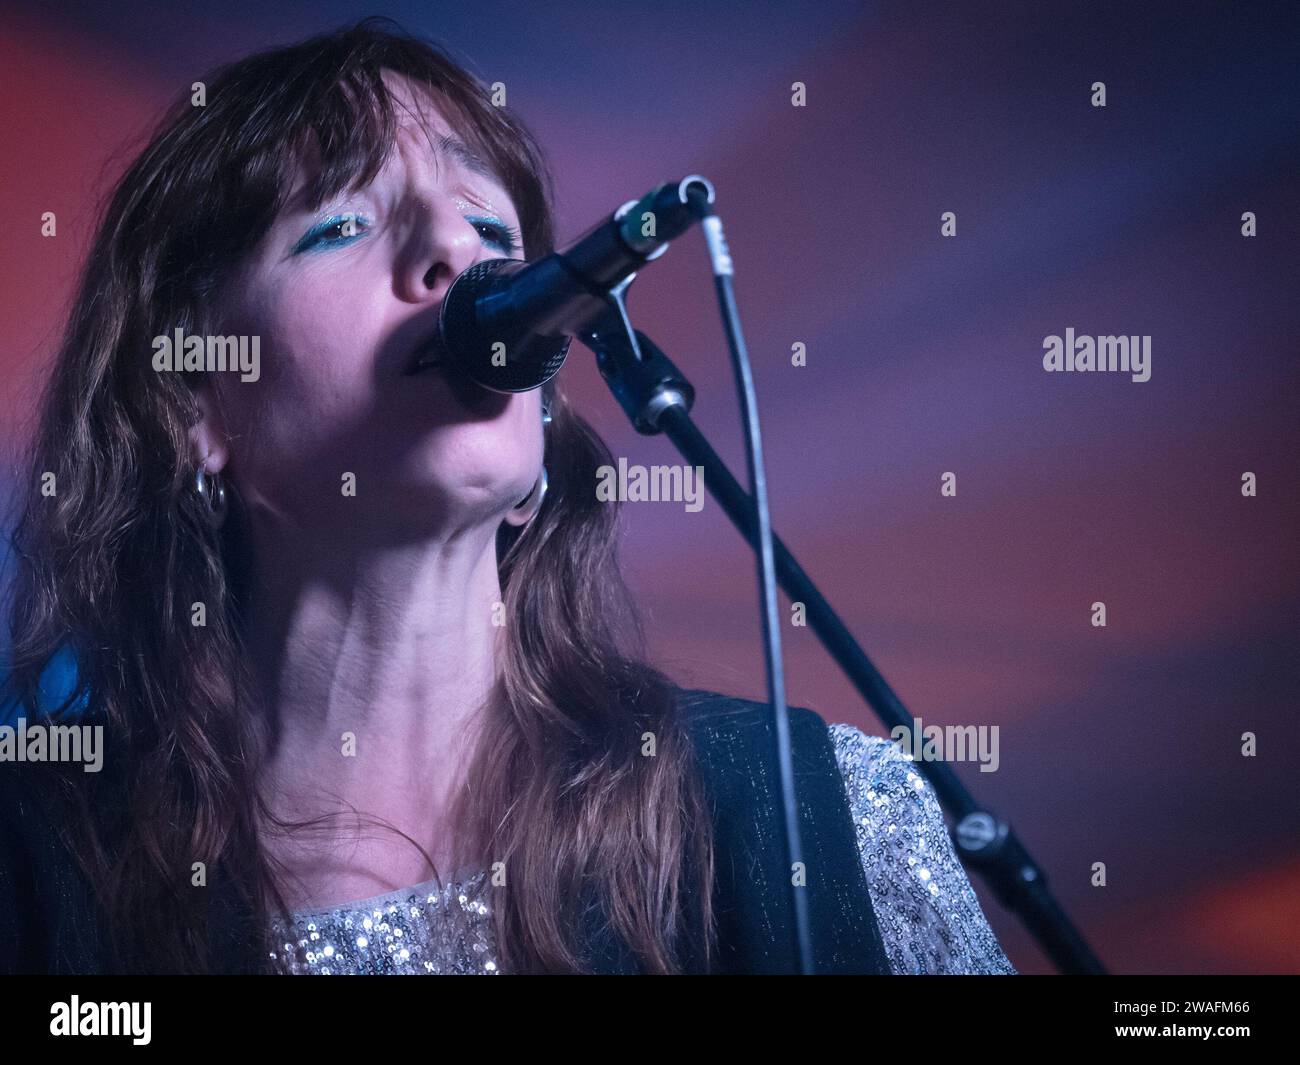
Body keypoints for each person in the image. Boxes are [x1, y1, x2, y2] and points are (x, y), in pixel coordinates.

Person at [0, 17, 1015, 976]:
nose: (459, 252)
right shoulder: (34, 863)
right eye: (338, 225)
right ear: (194, 407)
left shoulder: (812, 811)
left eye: (492, 225)